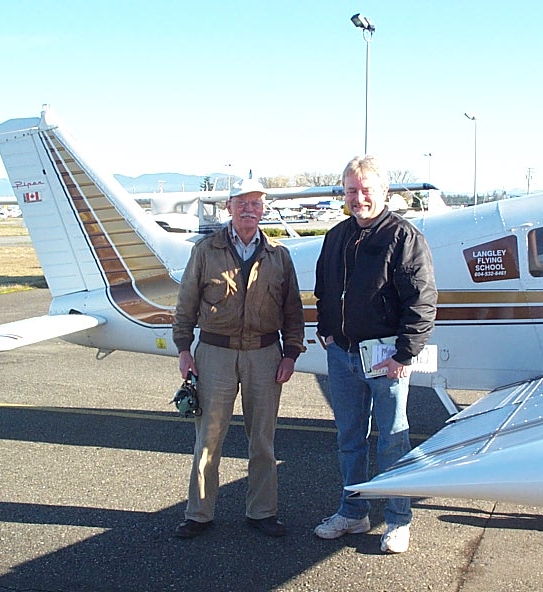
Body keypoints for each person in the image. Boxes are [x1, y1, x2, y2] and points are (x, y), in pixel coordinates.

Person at [313, 155, 437, 554]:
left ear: (384, 192)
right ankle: (353, 511)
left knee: (392, 439)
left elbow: (422, 301)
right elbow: (324, 291)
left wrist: (404, 355)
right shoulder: (336, 237)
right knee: (350, 439)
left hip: (386, 360)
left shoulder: (404, 238)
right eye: (352, 190)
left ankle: (398, 519)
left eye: (366, 190)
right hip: (343, 356)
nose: (359, 197)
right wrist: (327, 332)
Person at [172, 177, 306, 539]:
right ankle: (198, 514)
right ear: (229, 207)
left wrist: (291, 353)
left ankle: (262, 512)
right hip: (214, 353)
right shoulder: (206, 250)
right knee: (208, 439)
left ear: (264, 210)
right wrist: (184, 349)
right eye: (242, 202)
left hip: (264, 354)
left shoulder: (279, 255)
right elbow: (185, 304)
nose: (249, 209)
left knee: (262, 439)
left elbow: (293, 310)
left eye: (256, 203)